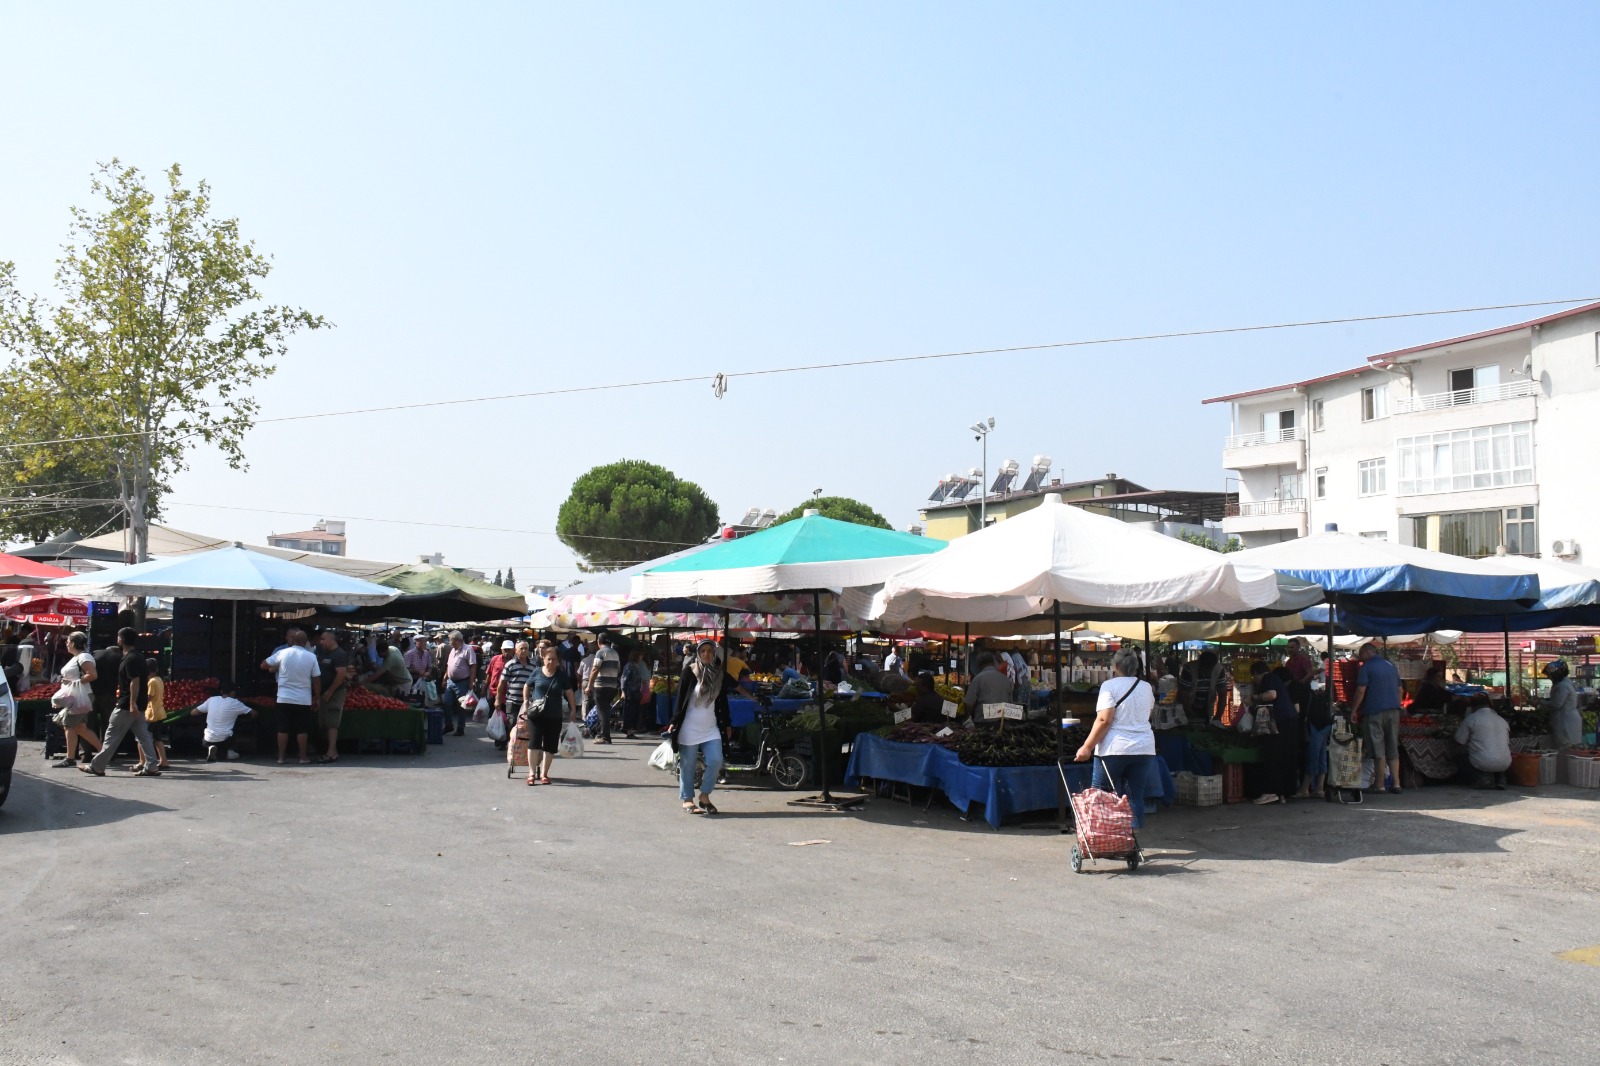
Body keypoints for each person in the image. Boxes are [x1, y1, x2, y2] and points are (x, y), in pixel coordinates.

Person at [1073, 646, 1156, 828]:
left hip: (1114, 749)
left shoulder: (1109, 686)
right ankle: (1130, 839)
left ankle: (1104, 835)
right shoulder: (1146, 687)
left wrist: (1086, 747)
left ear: (1116, 665)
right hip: (1144, 748)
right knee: (1135, 795)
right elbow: (1147, 715)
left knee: (1103, 794)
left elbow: (1104, 720)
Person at [82, 628, 161, 778]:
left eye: (119, 637)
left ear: (121, 640)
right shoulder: (138, 657)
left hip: (127, 704)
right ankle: (151, 766)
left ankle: (97, 766)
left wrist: (132, 703)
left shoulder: (130, 659)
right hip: (139, 703)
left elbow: (134, 681)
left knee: (112, 734)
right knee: (143, 735)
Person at [668, 640, 732, 815]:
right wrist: (674, 721)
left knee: (716, 760)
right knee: (688, 765)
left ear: (714, 654)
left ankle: (704, 796)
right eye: (702, 651)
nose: (706, 654)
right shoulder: (689, 671)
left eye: (710, 651)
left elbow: (722, 702)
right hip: (689, 727)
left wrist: (727, 723)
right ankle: (687, 800)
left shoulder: (718, 674)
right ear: (698, 653)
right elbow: (680, 698)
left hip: (711, 727)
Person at [1349, 642, 1404, 794]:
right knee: (1393, 747)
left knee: (1378, 748)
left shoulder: (1366, 667)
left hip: (1374, 712)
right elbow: (1400, 690)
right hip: (1393, 711)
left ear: (1367, 652)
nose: (1360, 658)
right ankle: (1396, 784)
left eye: (1361, 654)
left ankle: (1379, 785)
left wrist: (1354, 710)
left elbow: (1360, 690)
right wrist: (1396, 705)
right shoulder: (1390, 665)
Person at [519, 643, 577, 786]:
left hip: (554, 716)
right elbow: (527, 686)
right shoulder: (537, 672)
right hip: (536, 716)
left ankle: (544, 774)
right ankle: (532, 773)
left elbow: (569, 693)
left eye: (554, 659)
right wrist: (526, 701)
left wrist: (573, 710)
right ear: (543, 659)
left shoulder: (561, 675)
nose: (551, 662)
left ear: (558, 661)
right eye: (549, 659)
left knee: (550, 746)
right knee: (534, 744)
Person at [263, 628, 321, 766]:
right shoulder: (311, 656)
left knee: (283, 729)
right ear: (305, 642)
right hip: (303, 699)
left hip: (283, 697)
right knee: (302, 729)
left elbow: (264, 665)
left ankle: (281, 758)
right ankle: (303, 757)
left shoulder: (282, 652)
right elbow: (317, 679)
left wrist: (278, 666)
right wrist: (317, 697)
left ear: (292, 641)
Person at [1249, 661, 1299, 804]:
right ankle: (1282, 792)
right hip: (1289, 721)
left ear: (1256, 673)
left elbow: (1271, 695)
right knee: (1285, 757)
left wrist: (1254, 697)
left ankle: (1270, 792)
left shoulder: (1268, 678)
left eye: (1254, 677)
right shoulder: (1275, 679)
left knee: (1273, 755)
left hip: (1280, 722)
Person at [51, 631, 102, 768]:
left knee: (69, 725)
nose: (66, 643)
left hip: (82, 696)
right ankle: (103, 752)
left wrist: (76, 681)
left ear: (73, 643)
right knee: (80, 728)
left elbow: (92, 675)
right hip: (77, 696)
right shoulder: (76, 657)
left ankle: (70, 758)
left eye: (68, 641)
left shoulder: (84, 657)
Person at [1453, 695, 1512, 788]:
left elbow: (1459, 741)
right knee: (1496, 754)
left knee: (1459, 757)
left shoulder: (1472, 718)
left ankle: (1481, 778)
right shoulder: (1502, 720)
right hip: (1505, 763)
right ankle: (1500, 779)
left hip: (1483, 762)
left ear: (1472, 706)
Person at [191, 680, 254, 762]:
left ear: (221, 691)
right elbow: (253, 713)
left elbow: (193, 713)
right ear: (233, 692)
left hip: (208, 739)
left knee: (206, 727)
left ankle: (211, 747)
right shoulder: (235, 703)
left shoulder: (211, 700)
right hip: (225, 740)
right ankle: (228, 752)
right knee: (234, 726)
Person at [315, 630, 351, 764]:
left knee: (332, 723)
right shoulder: (325, 653)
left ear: (332, 639)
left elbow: (341, 675)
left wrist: (330, 692)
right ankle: (332, 750)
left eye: (323, 639)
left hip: (334, 694)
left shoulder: (339, 654)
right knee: (325, 722)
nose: (321, 641)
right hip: (324, 693)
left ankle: (331, 753)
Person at [497, 640, 539, 751]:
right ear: (516, 650)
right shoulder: (510, 664)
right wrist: (498, 700)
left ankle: (523, 747)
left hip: (528, 702)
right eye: (521, 648)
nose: (524, 651)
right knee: (512, 723)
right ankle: (510, 745)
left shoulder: (533, 665)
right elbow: (502, 684)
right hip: (512, 700)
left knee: (526, 726)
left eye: (526, 648)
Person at [132, 659, 171, 773]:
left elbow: (148, 697)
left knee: (141, 737)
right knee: (157, 738)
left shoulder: (151, 682)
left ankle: (142, 762)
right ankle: (164, 761)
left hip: (151, 713)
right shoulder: (159, 680)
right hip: (159, 712)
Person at [584, 633, 623, 744]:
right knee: (605, 710)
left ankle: (604, 736)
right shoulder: (615, 653)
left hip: (601, 686)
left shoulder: (600, 652)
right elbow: (618, 669)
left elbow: (595, 669)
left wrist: (589, 685)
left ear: (598, 642)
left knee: (602, 711)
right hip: (612, 686)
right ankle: (601, 733)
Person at [1538, 660, 1582, 749]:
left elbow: (1556, 704)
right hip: (1565, 719)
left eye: (1550, 675)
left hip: (1566, 721)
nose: (1549, 677)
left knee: (1567, 747)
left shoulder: (1563, 686)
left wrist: (1540, 702)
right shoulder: (1564, 684)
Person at [442, 630, 478, 736]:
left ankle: (460, 728)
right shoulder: (452, 650)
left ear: (458, 640)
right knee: (446, 703)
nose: (450, 642)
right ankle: (449, 725)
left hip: (463, 682)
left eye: (451, 640)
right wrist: (445, 678)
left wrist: (471, 682)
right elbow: (449, 666)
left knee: (461, 706)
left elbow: (473, 666)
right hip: (451, 681)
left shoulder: (468, 649)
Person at [961, 653, 1013, 719]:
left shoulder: (977, 679)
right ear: (993, 663)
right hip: (1003, 722)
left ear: (979, 665)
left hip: (983, 722)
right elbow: (1010, 702)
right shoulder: (1005, 679)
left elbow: (969, 704)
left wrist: (974, 715)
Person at [620, 647, 652, 740]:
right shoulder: (630, 666)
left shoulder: (635, 665)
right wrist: (623, 691)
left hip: (636, 692)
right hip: (630, 692)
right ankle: (629, 731)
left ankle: (631, 731)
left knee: (634, 712)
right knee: (630, 712)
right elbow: (624, 678)